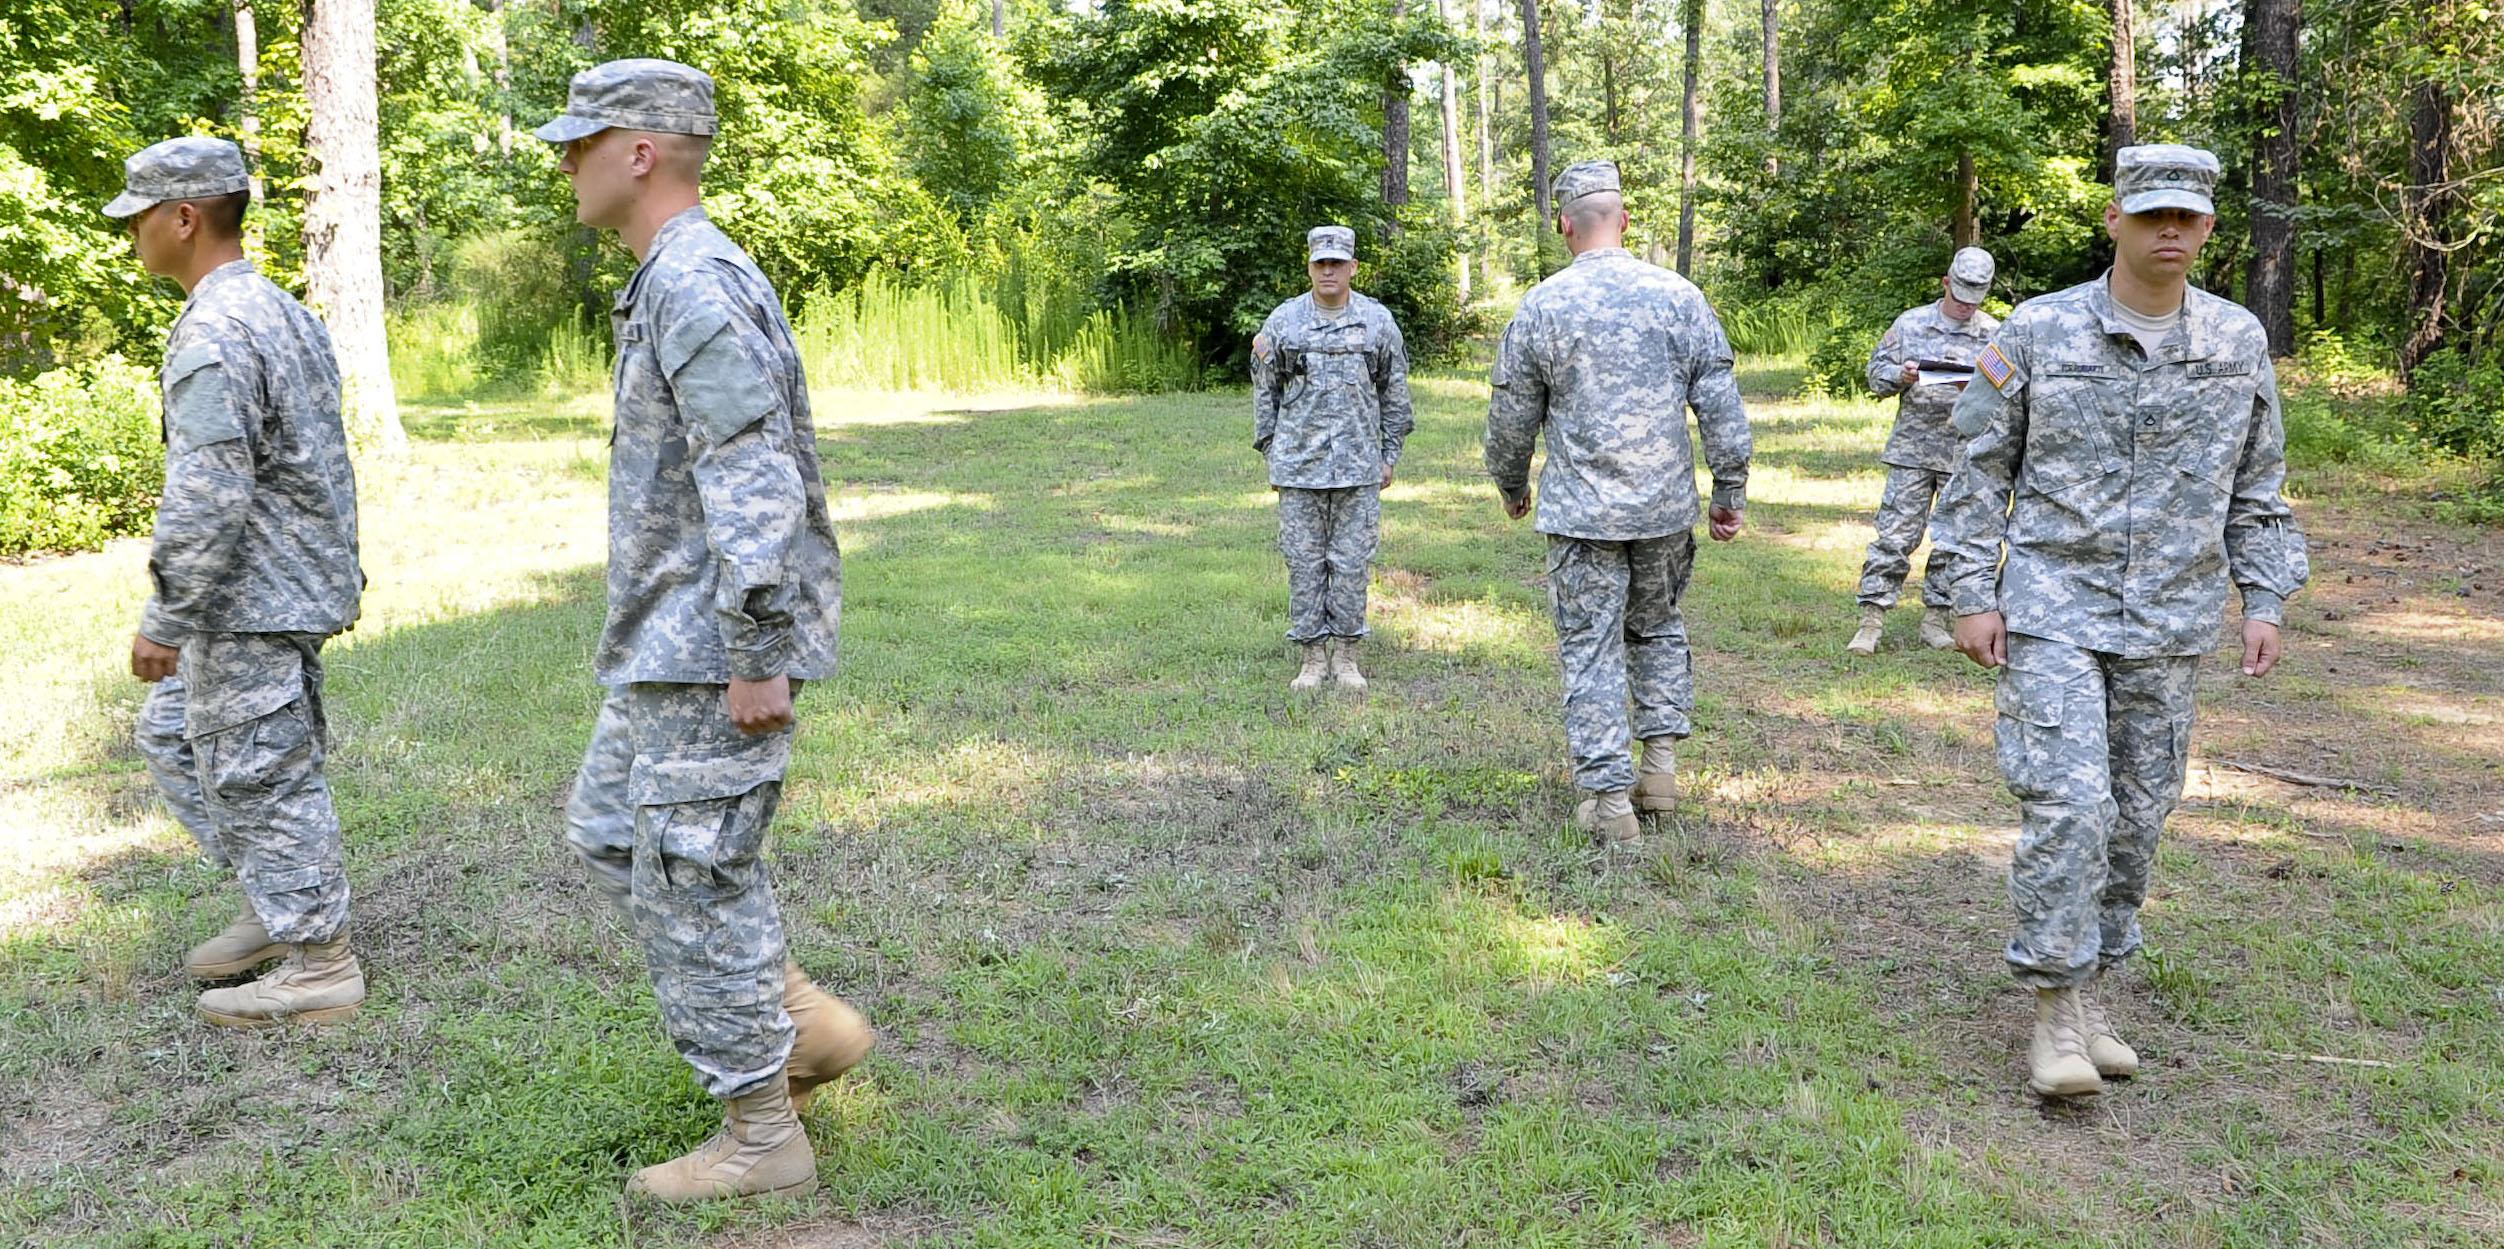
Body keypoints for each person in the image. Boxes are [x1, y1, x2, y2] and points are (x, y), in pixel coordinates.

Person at [537, 58, 871, 1201]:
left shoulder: (693, 282)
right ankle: (795, 1021)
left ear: (639, 152)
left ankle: (762, 1131)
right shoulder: (666, 276)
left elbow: (753, 477)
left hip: (706, 653)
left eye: (580, 142)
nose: (564, 162)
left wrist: (755, 650)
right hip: (659, 649)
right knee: (608, 829)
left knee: (693, 875)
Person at [1931, 144, 2309, 1098]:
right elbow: (1977, 467)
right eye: (2151, 217)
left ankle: (2094, 986)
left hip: (2173, 618)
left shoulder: (2236, 342)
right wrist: (1969, 590)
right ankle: (2055, 1011)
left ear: (2210, 228)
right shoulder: (2040, 332)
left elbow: (2258, 483)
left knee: (2139, 819)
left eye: (2187, 218)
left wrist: (2264, 596)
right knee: (2069, 805)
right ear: (2115, 221)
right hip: (2056, 609)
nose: (2169, 232)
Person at [113, 137, 370, 1030]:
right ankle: (280, 896)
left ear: (184, 217)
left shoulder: (218, 328)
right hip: (284, 579)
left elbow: (210, 488)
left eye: (140, 215)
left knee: (263, 771)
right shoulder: (278, 309)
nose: (133, 233)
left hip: (252, 593)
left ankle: (319, 963)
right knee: (174, 731)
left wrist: (168, 613)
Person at [1485, 160, 1752, 846]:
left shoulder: (1543, 305)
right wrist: (1729, 490)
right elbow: (1719, 401)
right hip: (1663, 510)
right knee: (1658, 628)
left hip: (1583, 515)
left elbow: (1512, 417)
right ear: (1625, 220)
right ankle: (1658, 772)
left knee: (1591, 646)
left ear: (1564, 224)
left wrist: (1511, 484)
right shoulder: (1679, 296)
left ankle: (1609, 801)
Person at [1251, 225, 1414, 691]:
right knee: (1304, 563)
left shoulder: (1377, 322)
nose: (1328, 271)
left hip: (1359, 469)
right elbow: (1267, 393)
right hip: (1299, 468)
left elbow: (1394, 392)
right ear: (1309, 266)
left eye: (1337, 263)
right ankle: (1310, 657)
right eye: (1321, 263)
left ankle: (1345, 655)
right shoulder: (1284, 322)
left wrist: (1389, 454)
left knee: (1350, 563)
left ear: (1353, 268)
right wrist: (1272, 454)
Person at [1848, 246, 2001, 655]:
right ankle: (1871, 620)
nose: (1967, 306)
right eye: (1960, 295)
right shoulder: (1911, 324)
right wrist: (1903, 374)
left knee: (1952, 541)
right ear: (1946, 283)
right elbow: (1875, 378)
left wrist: (1979, 389)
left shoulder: (1995, 334)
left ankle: (1936, 619)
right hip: (1913, 451)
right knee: (1895, 536)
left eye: (1975, 298)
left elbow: (2009, 394)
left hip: (1964, 453)